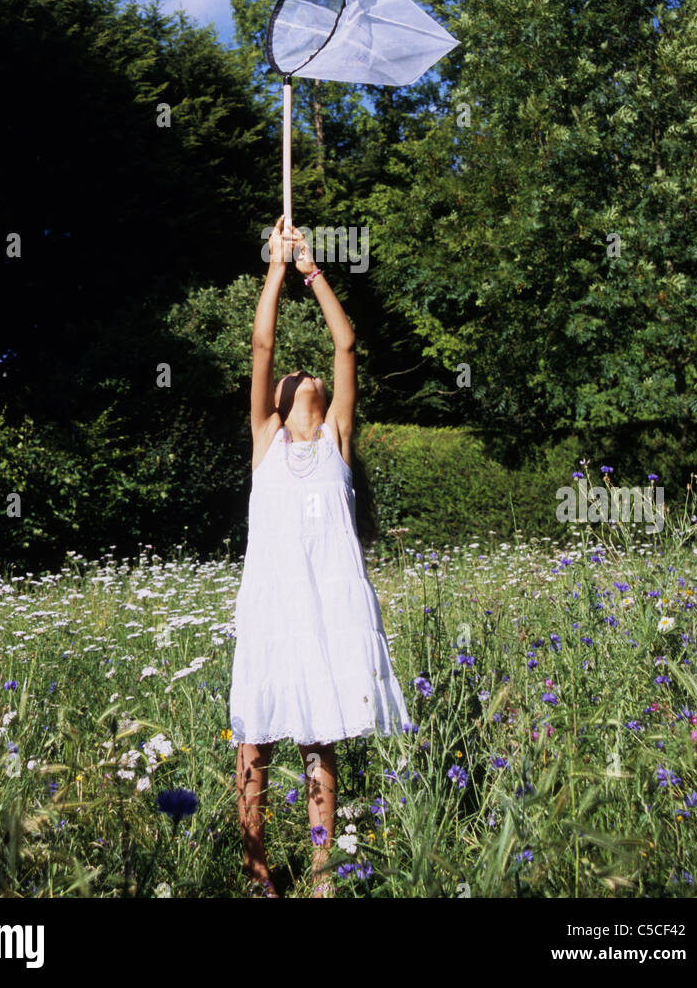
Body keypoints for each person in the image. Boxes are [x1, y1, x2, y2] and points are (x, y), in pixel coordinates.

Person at [229, 215, 409, 898]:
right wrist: (274, 269)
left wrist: (312, 269)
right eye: (287, 376)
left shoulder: (336, 437)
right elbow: (262, 343)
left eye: (312, 375)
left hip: (325, 604)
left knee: (317, 742)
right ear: (274, 404)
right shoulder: (266, 442)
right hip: (273, 603)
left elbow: (345, 341)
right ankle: (256, 874)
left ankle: (321, 875)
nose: (300, 371)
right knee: (254, 741)